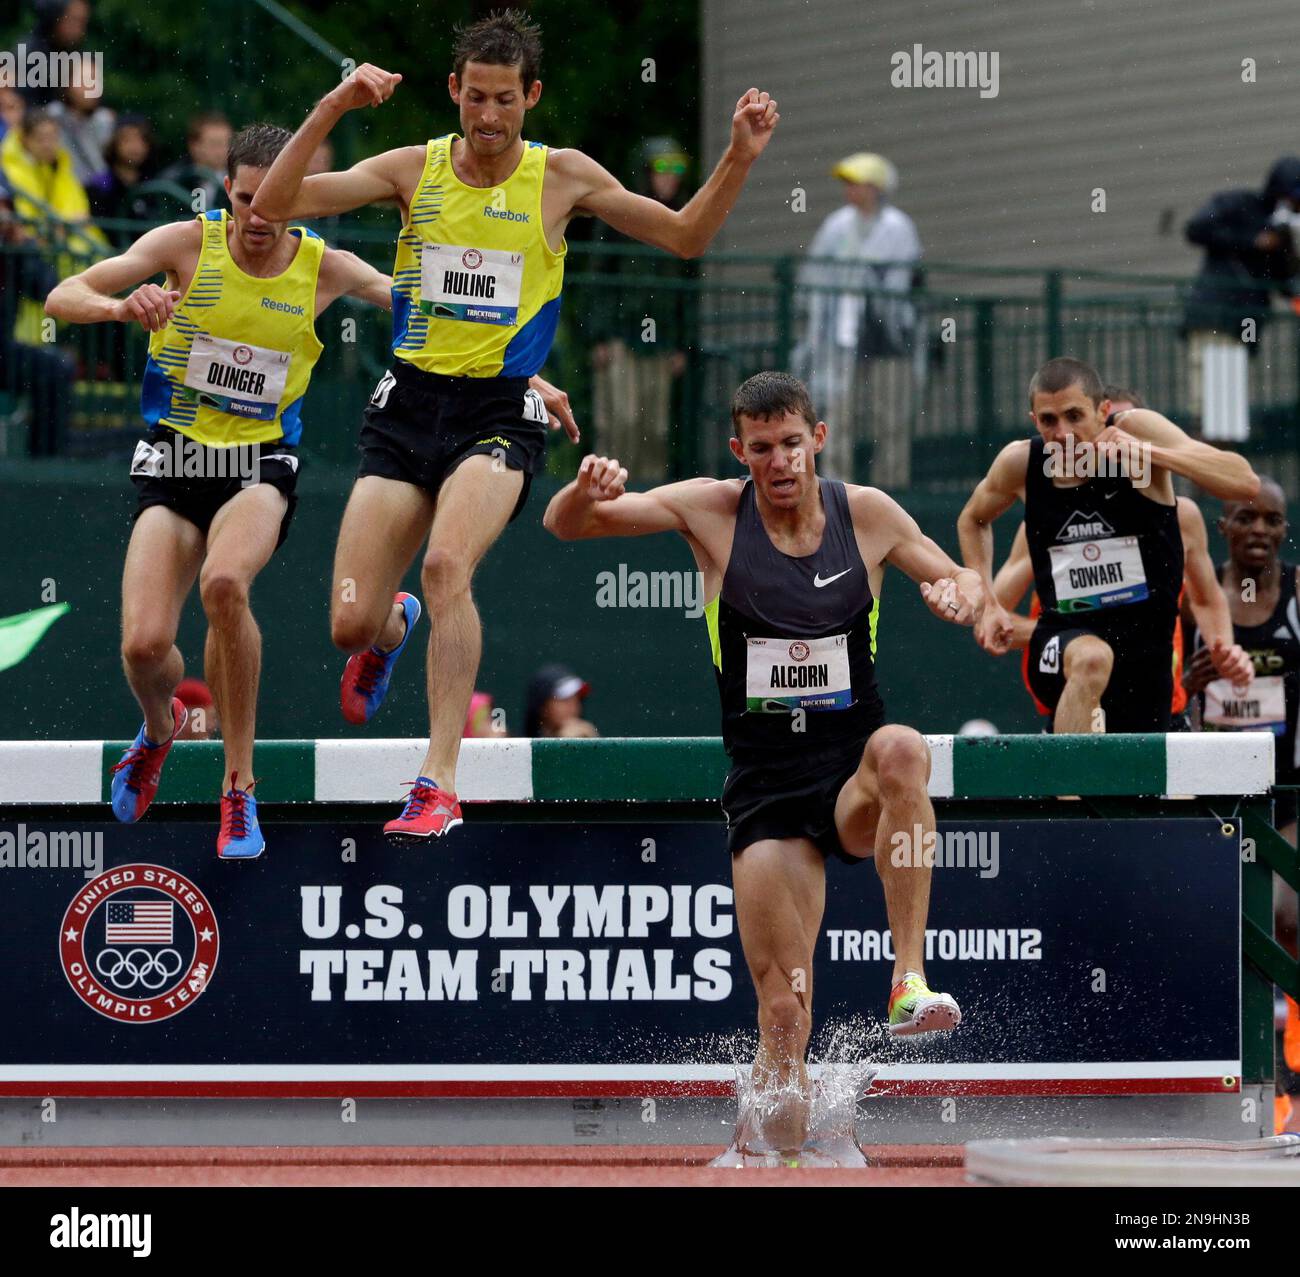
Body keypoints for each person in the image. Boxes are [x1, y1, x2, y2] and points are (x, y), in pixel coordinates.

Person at [250, 9, 779, 842]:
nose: (489, 119)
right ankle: (391, 634)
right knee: (350, 621)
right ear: (454, 91)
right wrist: (333, 108)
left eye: (505, 100)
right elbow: (272, 205)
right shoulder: (409, 169)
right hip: (408, 404)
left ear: (530, 97)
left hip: (501, 408)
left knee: (449, 564)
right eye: (475, 100)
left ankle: (439, 779)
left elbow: (685, 236)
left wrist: (739, 158)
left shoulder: (560, 176)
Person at [543, 370, 973, 1156]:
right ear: (740, 450)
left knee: (905, 749)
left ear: (820, 439)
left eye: (792, 444)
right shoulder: (712, 510)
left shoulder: (866, 514)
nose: (779, 462)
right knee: (784, 1015)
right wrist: (583, 488)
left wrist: (958, 594)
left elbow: (959, 577)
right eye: (761, 448)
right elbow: (565, 526)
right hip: (768, 785)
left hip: (854, 774)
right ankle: (780, 1152)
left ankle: (907, 981)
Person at [44, 123, 396, 858]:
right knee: (145, 647)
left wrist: (528, 379)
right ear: (226, 193)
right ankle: (161, 728)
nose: (261, 219)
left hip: (258, 464)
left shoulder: (325, 267)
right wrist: (120, 308)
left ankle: (238, 787)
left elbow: (427, 318)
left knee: (226, 583)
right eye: (246, 200)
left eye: (277, 203)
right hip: (174, 463)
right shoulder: (186, 245)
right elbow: (60, 295)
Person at [958, 357, 1259, 734]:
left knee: (1137, 783)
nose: (1064, 434)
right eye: (1049, 421)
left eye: (1074, 416)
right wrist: (986, 605)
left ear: (1103, 413)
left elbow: (1245, 483)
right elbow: (973, 519)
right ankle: (1068, 789)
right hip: (1062, 650)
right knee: (1091, 658)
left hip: (1146, 664)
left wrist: (1149, 455)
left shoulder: (1140, 439)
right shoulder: (1023, 463)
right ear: (1034, 421)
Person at [793, 151, 921, 486]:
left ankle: (891, 486)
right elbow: (815, 274)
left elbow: (902, 282)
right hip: (844, 333)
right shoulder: (837, 225)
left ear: (876, 188)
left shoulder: (898, 227)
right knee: (838, 410)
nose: (850, 191)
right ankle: (838, 484)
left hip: (887, 337)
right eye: (848, 184)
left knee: (889, 414)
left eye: (857, 184)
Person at [588, 136, 695, 480]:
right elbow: (599, 277)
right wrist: (599, 337)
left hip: (661, 341)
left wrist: (682, 343)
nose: (670, 176)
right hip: (622, 335)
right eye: (663, 167)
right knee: (622, 421)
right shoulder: (622, 214)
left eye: (677, 168)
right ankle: (607, 492)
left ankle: (649, 500)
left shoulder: (682, 218)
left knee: (657, 428)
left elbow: (687, 289)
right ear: (647, 171)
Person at [1184, 158, 1300, 440]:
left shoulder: (1280, 231)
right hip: (1215, 317)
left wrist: (1286, 250)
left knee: (1228, 417)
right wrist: (1253, 241)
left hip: (1241, 326)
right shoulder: (1238, 204)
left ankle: (1222, 474)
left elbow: (1283, 282)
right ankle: (1207, 473)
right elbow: (1196, 229)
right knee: (1210, 411)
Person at [0, 171, 74, 454]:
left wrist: (25, 248)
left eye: (5, 206)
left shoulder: (13, 248)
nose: (2, 214)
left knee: (55, 367)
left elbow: (48, 291)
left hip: (2, 353)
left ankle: (45, 465)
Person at [157, 112, 232, 215]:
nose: (223, 150)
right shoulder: (174, 181)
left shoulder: (238, 180)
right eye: (215, 143)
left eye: (227, 143)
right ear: (194, 146)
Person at [523, 664, 596, 738]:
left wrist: (592, 745)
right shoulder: (516, 745)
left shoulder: (587, 735)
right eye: (564, 699)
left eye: (576, 699)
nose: (573, 706)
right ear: (542, 706)